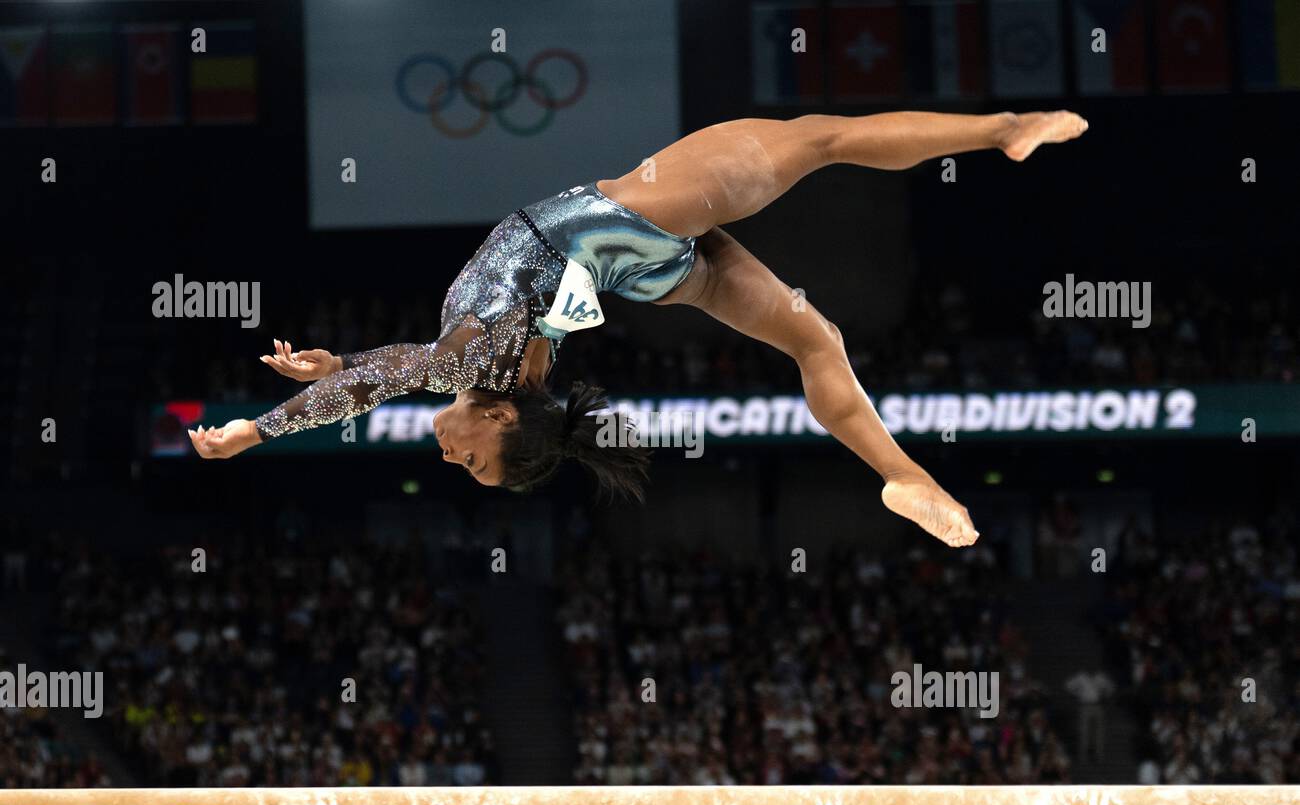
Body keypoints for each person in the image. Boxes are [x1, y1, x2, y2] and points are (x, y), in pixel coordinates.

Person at [190, 111, 1087, 546]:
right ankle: (1002, 130)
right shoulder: (484, 364)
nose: (447, 456)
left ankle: (906, 475)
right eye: (470, 458)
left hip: (651, 273)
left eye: (460, 467)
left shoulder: (480, 365)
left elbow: (400, 369)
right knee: (821, 141)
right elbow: (400, 375)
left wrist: (340, 365)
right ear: (500, 417)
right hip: (636, 220)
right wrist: (255, 431)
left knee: (820, 344)